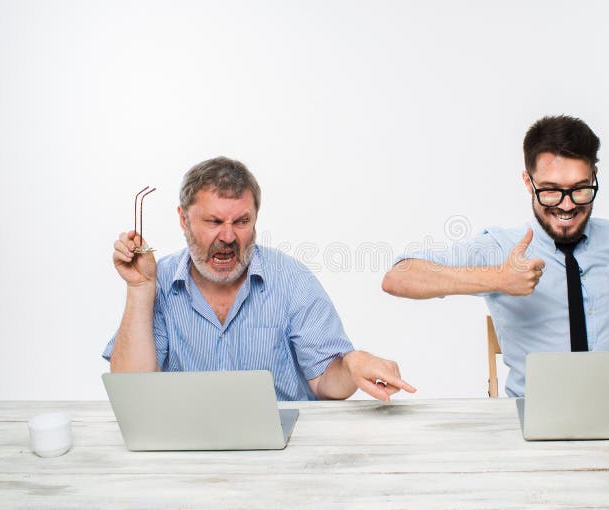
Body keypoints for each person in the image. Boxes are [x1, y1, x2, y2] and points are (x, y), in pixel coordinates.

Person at [382, 115, 609, 397]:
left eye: (581, 188)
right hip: (533, 413)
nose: (567, 205)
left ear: (595, 176)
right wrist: (498, 279)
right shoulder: (500, 248)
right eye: (550, 190)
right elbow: (398, 277)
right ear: (527, 182)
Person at [105, 156, 415, 402]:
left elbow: (326, 381)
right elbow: (133, 392)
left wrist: (352, 364)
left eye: (241, 221)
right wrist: (139, 288)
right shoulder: (159, 281)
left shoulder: (291, 280)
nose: (228, 236)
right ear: (183, 219)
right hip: (186, 455)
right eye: (213, 221)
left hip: (283, 457)